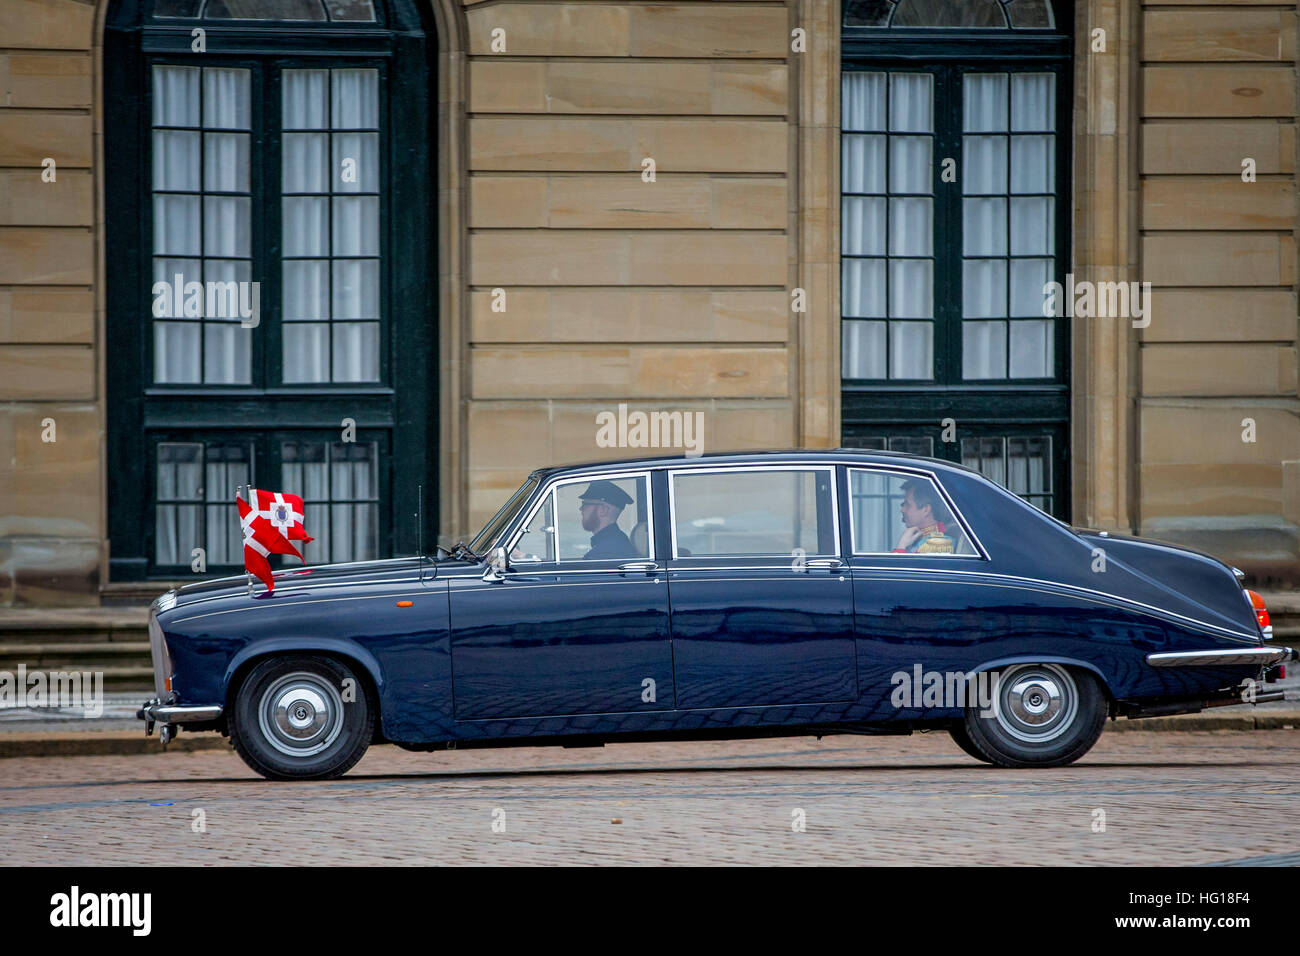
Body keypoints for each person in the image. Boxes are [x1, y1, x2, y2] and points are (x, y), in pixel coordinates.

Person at [578, 480, 638, 560]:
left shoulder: (607, 552)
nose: (581, 509)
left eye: (585, 504)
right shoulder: (614, 542)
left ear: (603, 510)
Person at [893, 478, 955, 554]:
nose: (902, 510)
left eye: (908, 505)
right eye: (903, 505)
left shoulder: (937, 545)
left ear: (926, 510)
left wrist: (901, 547)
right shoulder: (916, 539)